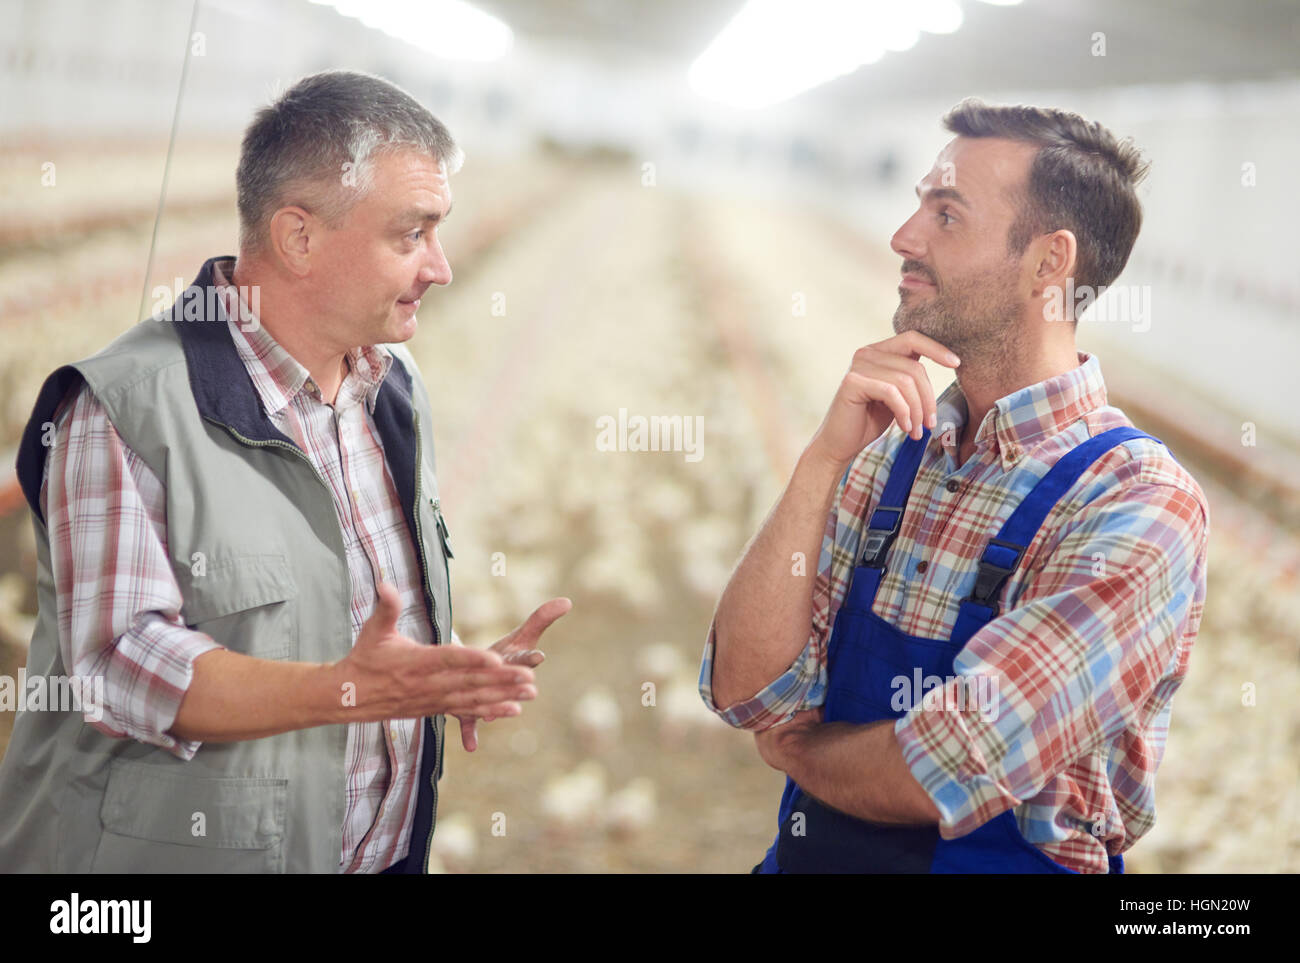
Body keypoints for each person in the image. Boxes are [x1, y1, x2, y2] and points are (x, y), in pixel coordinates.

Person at [0, 69, 570, 873]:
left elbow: (334, 610)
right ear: (299, 237)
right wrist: (355, 690)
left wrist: (439, 670)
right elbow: (119, 666)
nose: (440, 267)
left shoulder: (391, 390)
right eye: (411, 235)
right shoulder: (124, 408)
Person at [699, 98, 1209, 874]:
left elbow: (947, 768)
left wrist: (798, 750)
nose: (903, 237)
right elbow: (747, 692)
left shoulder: (1135, 502)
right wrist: (820, 464)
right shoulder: (892, 452)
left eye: (946, 214)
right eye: (919, 206)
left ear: (1049, 263)